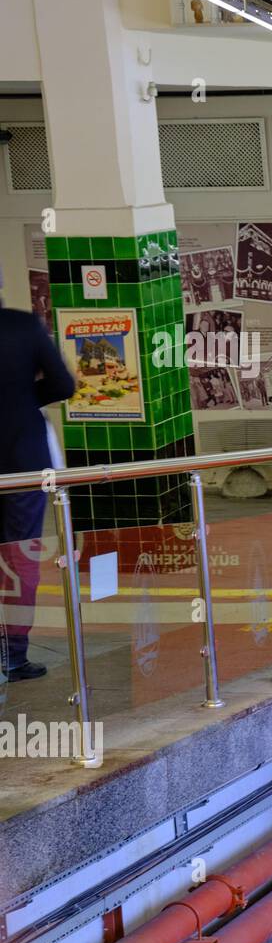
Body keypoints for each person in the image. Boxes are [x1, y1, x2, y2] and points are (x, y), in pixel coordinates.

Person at [0, 267, 76, 681]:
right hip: (21, 460)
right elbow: (64, 385)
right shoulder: (23, 326)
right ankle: (12, 654)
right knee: (19, 555)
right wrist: (27, 400)